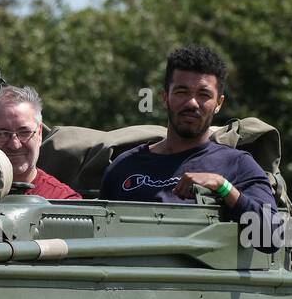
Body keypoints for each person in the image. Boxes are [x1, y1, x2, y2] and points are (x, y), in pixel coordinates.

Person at [100, 45, 278, 229]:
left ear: (218, 103)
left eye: (204, 94)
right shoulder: (123, 167)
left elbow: (272, 235)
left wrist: (222, 186)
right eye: (181, 92)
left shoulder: (237, 165)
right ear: (164, 97)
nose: (192, 103)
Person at [0, 86, 80, 199]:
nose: (14, 145)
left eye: (24, 132)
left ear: (39, 134)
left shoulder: (63, 202)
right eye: (2, 133)